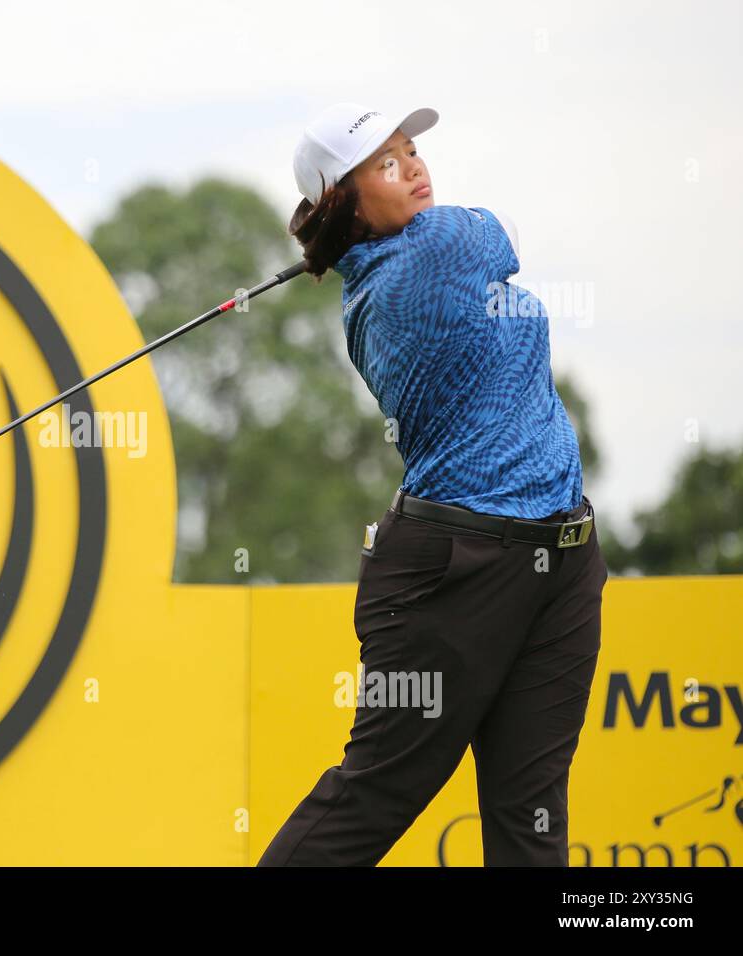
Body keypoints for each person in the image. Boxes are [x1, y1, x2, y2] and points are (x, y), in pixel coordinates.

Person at [256, 102, 608, 866]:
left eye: (412, 151)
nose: (415, 167)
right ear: (340, 202)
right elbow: (508, 229)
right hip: (455, 572)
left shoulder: (378, 272)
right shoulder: (435, 249)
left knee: (531, 816)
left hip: (564, 559)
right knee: (375, 796)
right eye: (385, 162)